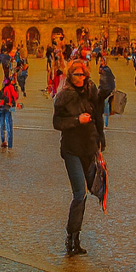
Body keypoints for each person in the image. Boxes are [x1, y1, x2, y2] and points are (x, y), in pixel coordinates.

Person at [52, 59, 112, 256]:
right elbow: (57, 122)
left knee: (89, 193)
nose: (80, 77)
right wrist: (77, 120)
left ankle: (76, 238)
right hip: (71, 150)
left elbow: (98, 118)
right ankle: (71, 238)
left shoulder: (91, 93)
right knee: (80, 193)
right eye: (76, 74)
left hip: (89, 148)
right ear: (70, 76)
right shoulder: (64, 97)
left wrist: (99, 142)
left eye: (83, 74)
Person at [0, 75, 19, 149]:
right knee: (9, 126)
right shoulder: (11, 87)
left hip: (2, 108)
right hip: (8, 108)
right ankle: (10, 145)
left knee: (2, 125)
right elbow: (15, 96)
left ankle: (3, 141)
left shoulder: (2, 88)